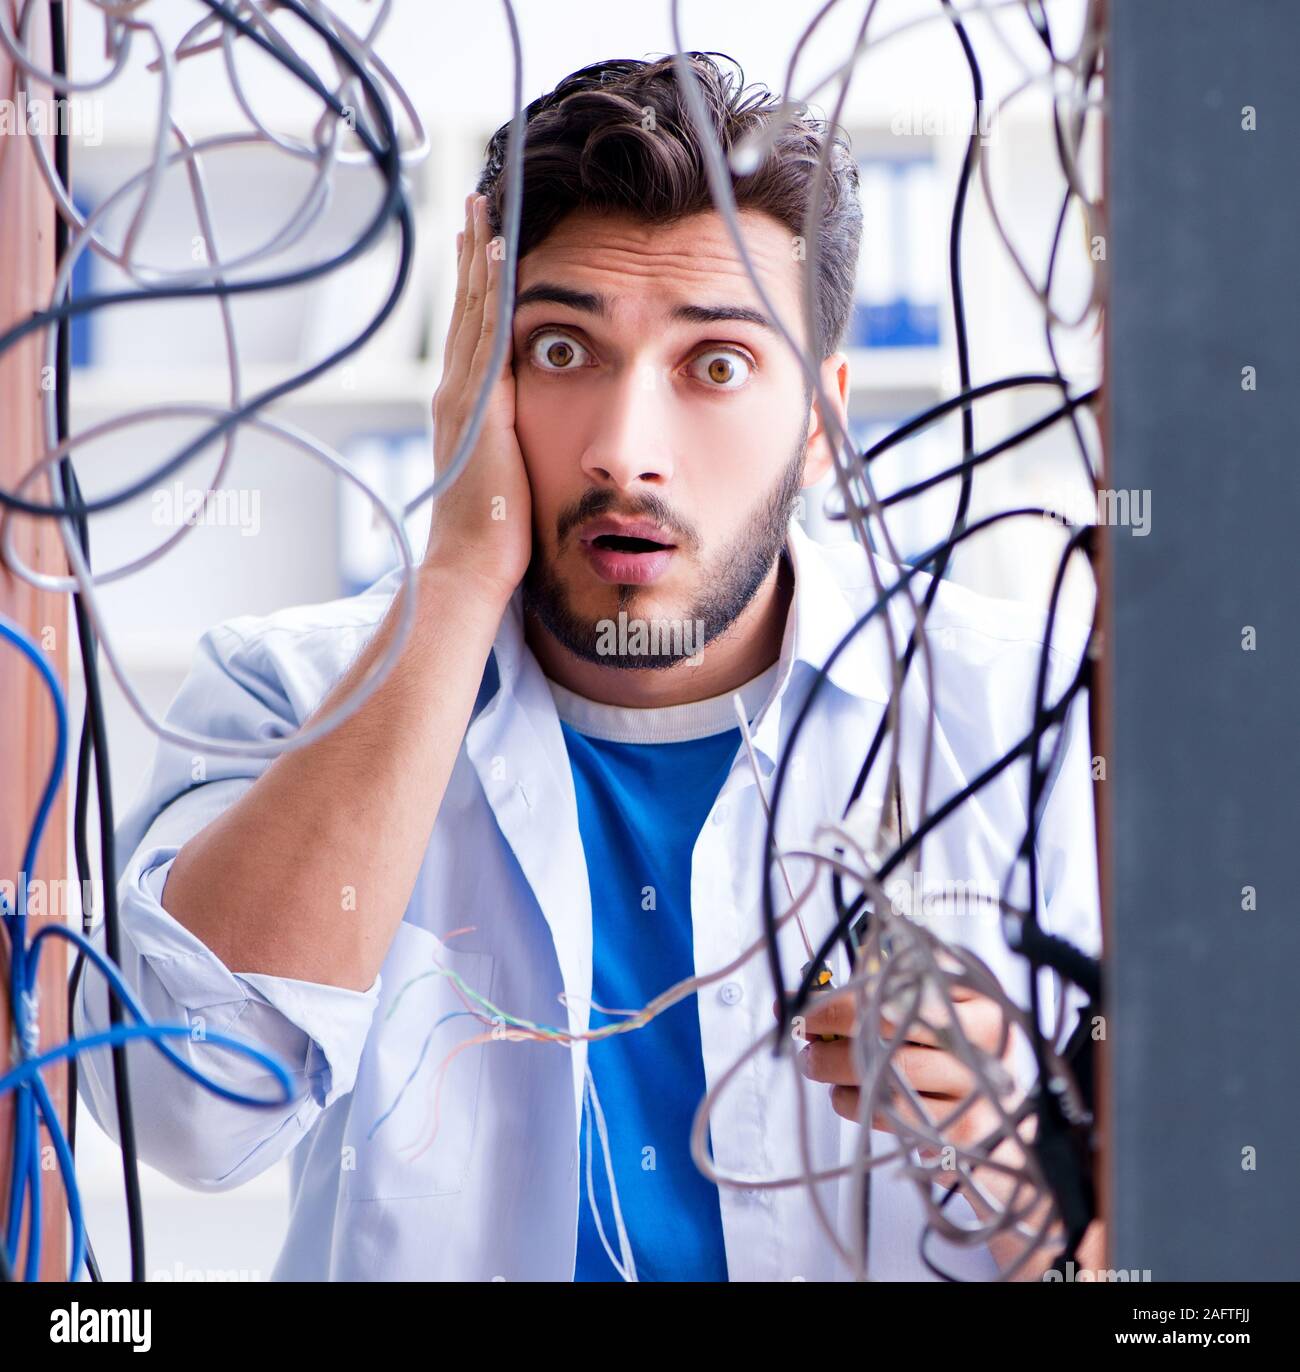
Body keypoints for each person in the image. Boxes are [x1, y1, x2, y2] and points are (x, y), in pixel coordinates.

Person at [74, 53, 1100, 1281]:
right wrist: (455, 574)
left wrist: (1005, 1150)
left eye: (715, 365)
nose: (628, 452)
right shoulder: (294, 695)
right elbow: (184, 1111)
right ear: (472, 385)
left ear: (825, 425)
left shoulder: (1023, 722)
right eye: (560, 352)